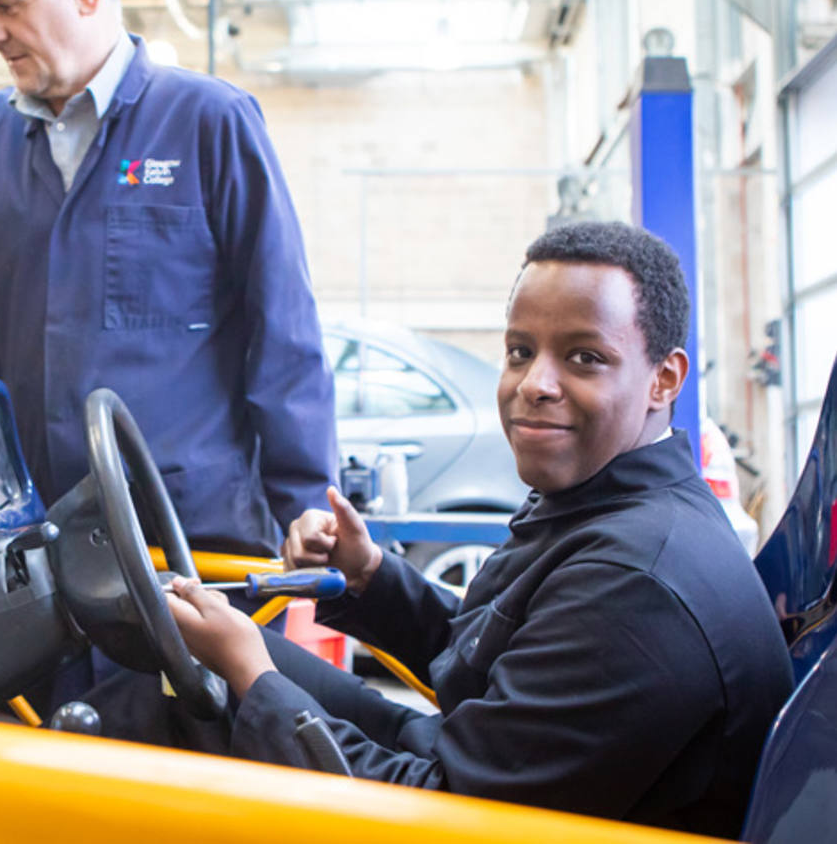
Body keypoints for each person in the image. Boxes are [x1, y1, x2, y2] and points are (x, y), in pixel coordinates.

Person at [99, 221, 794, 839]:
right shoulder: (608, 508)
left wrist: (251, 672)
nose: (534, 383)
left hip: (460, 809)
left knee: (199, 699)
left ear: (664, 379)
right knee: (182, 679)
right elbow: (494, 663)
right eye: (520, 351)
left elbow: (444, 814)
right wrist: (370, 575)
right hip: (479, 775)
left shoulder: (638, 584)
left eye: (584, 357)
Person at [0, 0, 335, 560]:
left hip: (189, 537)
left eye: (5, 5)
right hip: (38, 541)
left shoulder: (210, 122)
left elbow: (282, 325)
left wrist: (304, 503)